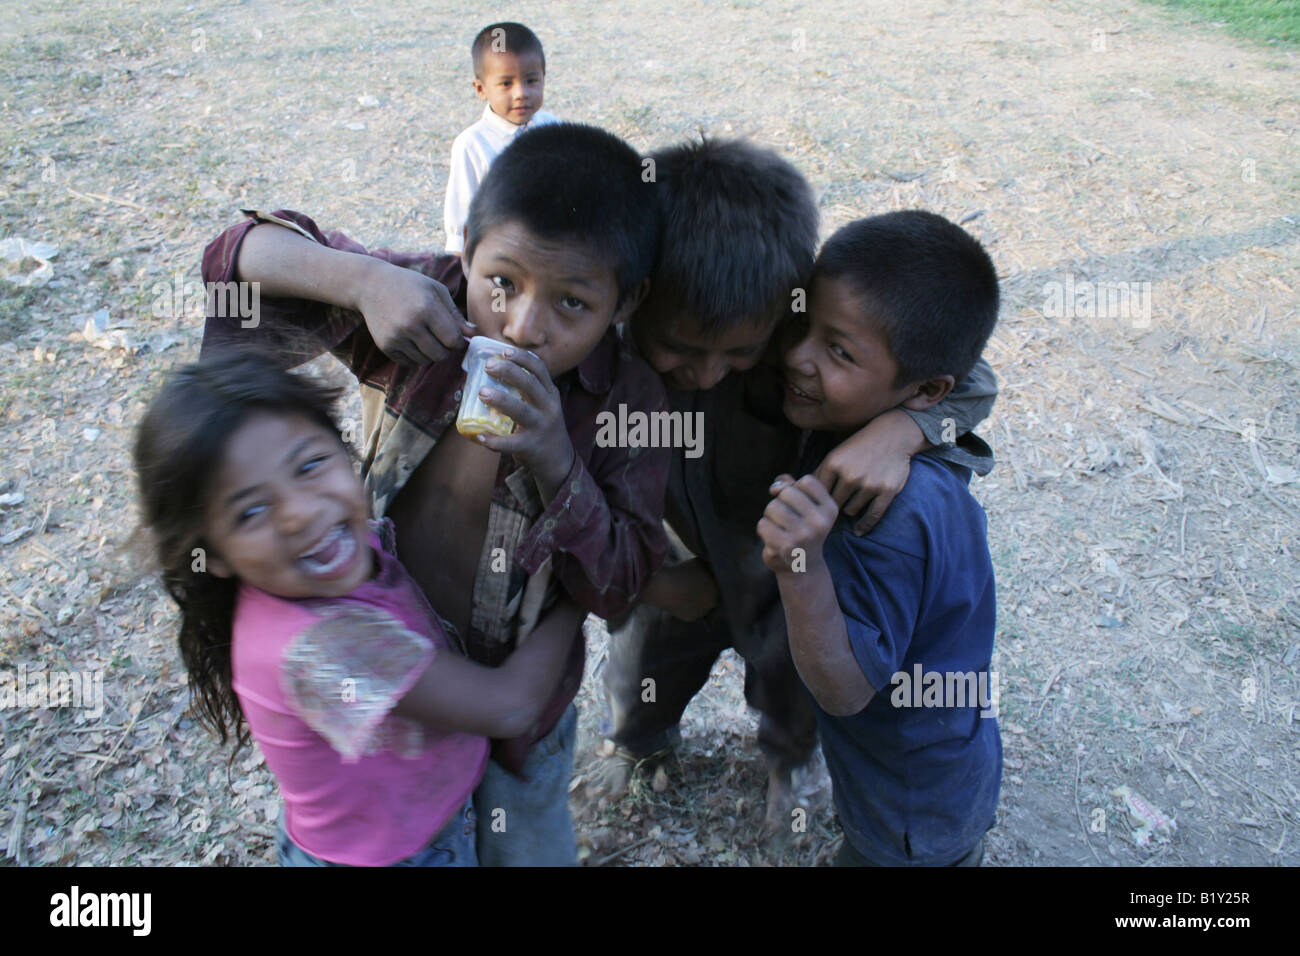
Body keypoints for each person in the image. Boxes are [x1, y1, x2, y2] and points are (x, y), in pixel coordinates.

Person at [199, 122, 668, 865]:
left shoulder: (630, 405)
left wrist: (555, 460)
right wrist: (363, 282)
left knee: (525, 847)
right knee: (411, 838)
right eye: (502, 283)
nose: (522, 326)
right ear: (466, 249)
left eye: (572, 304)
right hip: (398, 697)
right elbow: (232, 261)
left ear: (625, 302)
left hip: (523, 713)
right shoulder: (426, 309)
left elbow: (620, 587)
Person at [597, 137, 999, 837]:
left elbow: (970, 381)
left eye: (742, 353)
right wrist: (655, 578)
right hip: (671, 559)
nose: (708, 373)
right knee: (641, 671)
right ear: (636, 299)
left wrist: (903, 430)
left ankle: (787, 765)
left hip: (781, 570)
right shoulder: (601, 333)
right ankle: (637, 745)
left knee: (789, 689)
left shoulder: (793, 326)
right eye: (682, 349)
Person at [133, 353, 584, 866]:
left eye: (309, 466)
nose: (301, 512)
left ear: (343, 447)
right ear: (210, 554)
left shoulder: (328, 559)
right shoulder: (321, 647)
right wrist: (577, 594)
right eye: (252, 511)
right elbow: (508, 707)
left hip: (420, 824)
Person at [757, 210, 1002, 866]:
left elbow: (844, 691)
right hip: (945, 755)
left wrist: (800, 567)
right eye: (803, 327)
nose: (797, 355)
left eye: (837, 351)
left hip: (908, 806)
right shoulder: (910, 447)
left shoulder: (878, 517)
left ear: (927, 391)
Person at [443, 22, 559, 255]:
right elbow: (461, 222)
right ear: (481, 89)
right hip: (500, 254)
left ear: (544, 78)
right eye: (506, 84)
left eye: (531, 80)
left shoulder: (554, 128)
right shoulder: (472, 145)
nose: (521, 93)